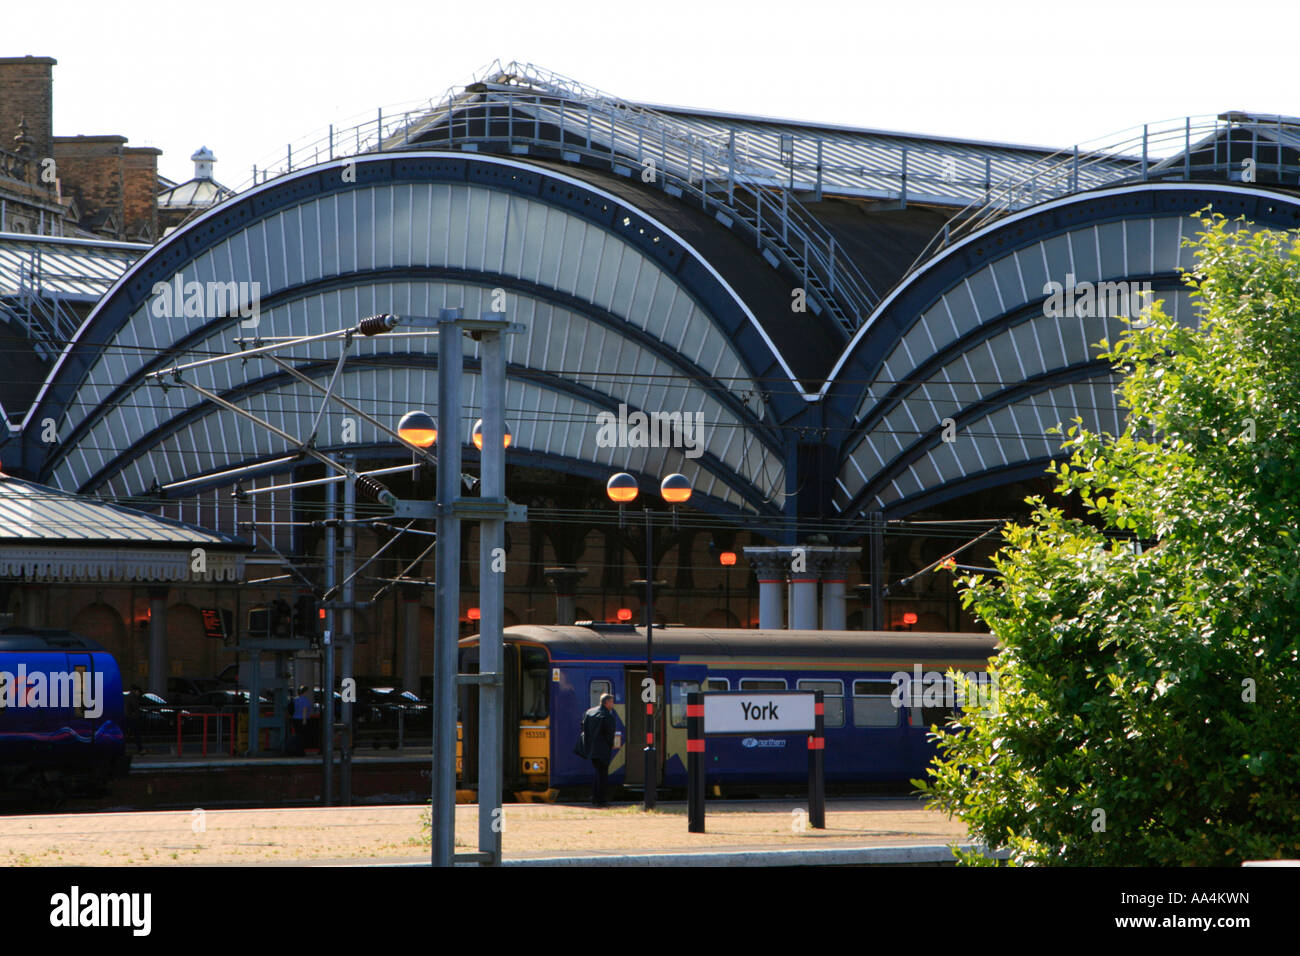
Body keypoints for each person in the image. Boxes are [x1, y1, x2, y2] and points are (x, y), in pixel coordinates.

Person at [580, 693, 618, 807]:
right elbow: (610, 734)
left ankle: (595, 797)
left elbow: (583, 728)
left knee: (597, 773)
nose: (613, 704)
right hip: (603, 749)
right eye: (612, 702)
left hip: (592, 749)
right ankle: (601, 799)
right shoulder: (608, 716)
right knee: (602, 774)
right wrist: (609, 746)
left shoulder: (590, 712)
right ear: (606, 702)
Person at [124, 685, 145, 754]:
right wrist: (138, 716)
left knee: (126, 734)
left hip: (126, 717)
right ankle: (140, 749)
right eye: (138, 692)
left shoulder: (127, 697)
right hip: (131, 718)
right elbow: (135, 708)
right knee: (136, 734)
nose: (139, 694)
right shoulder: (133, 697)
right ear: (136, 691)